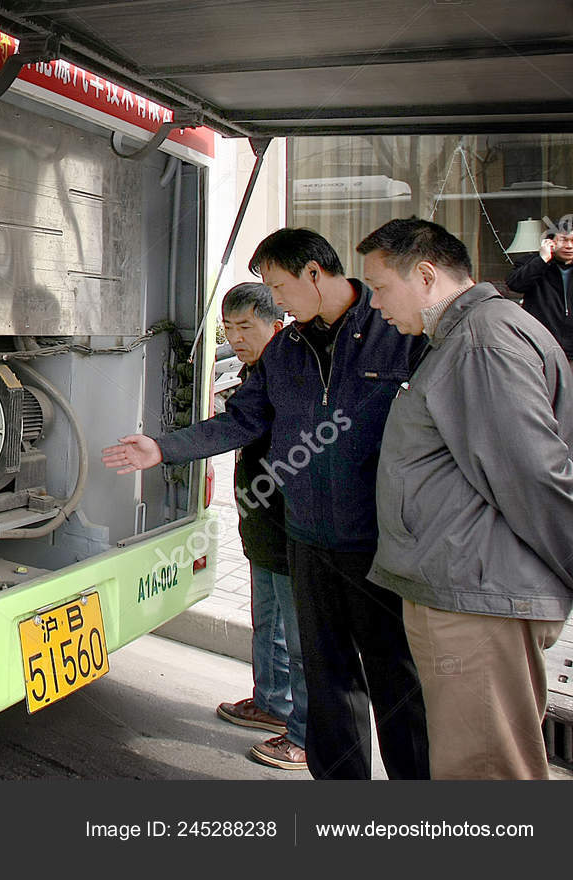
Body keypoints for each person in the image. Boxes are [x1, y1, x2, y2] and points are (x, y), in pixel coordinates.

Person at [104, 228, 430, 780]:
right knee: (328, 682)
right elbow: (243, 419)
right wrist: (163, 447)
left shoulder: (393, 331)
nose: (275, 301)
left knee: (395, 679)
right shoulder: (287, 350)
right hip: (306, 538)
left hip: (380, 544)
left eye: (278, 287)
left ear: (313, 273)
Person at [358, 217, 573, 779]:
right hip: (467, 590)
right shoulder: (464, 336)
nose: (374, 304)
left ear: (425, 275)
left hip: (477, 600)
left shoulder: (482, 341)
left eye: (380, 287)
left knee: (484, 773)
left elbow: (534, 477)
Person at [211, 283, 308, 770]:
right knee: (267, 621)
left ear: (277, 323)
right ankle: (271, 704)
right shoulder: (253, 371)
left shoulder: (292, 374)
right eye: (229, 328)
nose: (237, 337)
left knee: (300, 635)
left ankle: (307, 734)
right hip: (262, 528)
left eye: (246, 327)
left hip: (293, 530)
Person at [506, 215, 573, 362]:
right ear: (550, 241)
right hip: (540, 350)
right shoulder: (532, 263)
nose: (569, 246)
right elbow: (515, 284)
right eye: (564, 240)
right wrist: (542, 260)